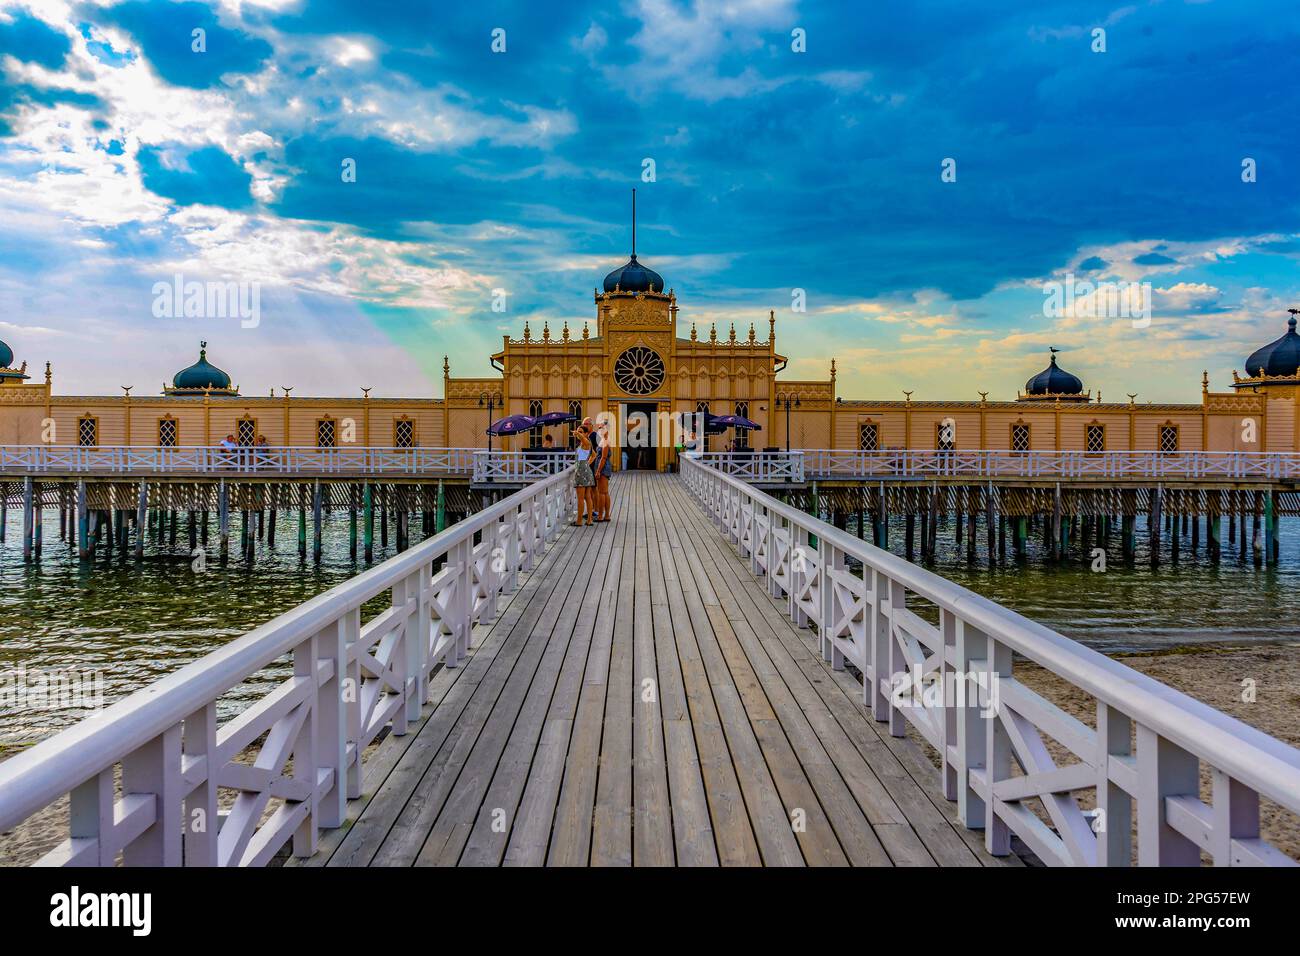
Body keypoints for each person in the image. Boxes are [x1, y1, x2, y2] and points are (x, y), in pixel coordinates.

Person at [572, 423, 595, 526]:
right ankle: (589, 520)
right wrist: (587, 463)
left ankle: (579, 521)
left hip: (581, 471)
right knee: (587, 497)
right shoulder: (586, 443)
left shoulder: (585, 442)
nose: (578, 434)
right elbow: (594, 455)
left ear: (586, 433)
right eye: (578, 431)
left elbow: (584, 440)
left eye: (581, 432)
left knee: (581, 498)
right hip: (586, 469)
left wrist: (578, 433)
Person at [591, 420, 612, 522]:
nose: (599, 430)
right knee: (605, 492)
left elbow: (603, 457)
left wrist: (598, 471)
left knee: (601, 492)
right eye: (599, 428)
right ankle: (606, 515)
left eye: (602, 428)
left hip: (603, 467)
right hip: (604, 466)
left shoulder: (605, 440)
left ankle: (600, 516)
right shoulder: (604, 439)